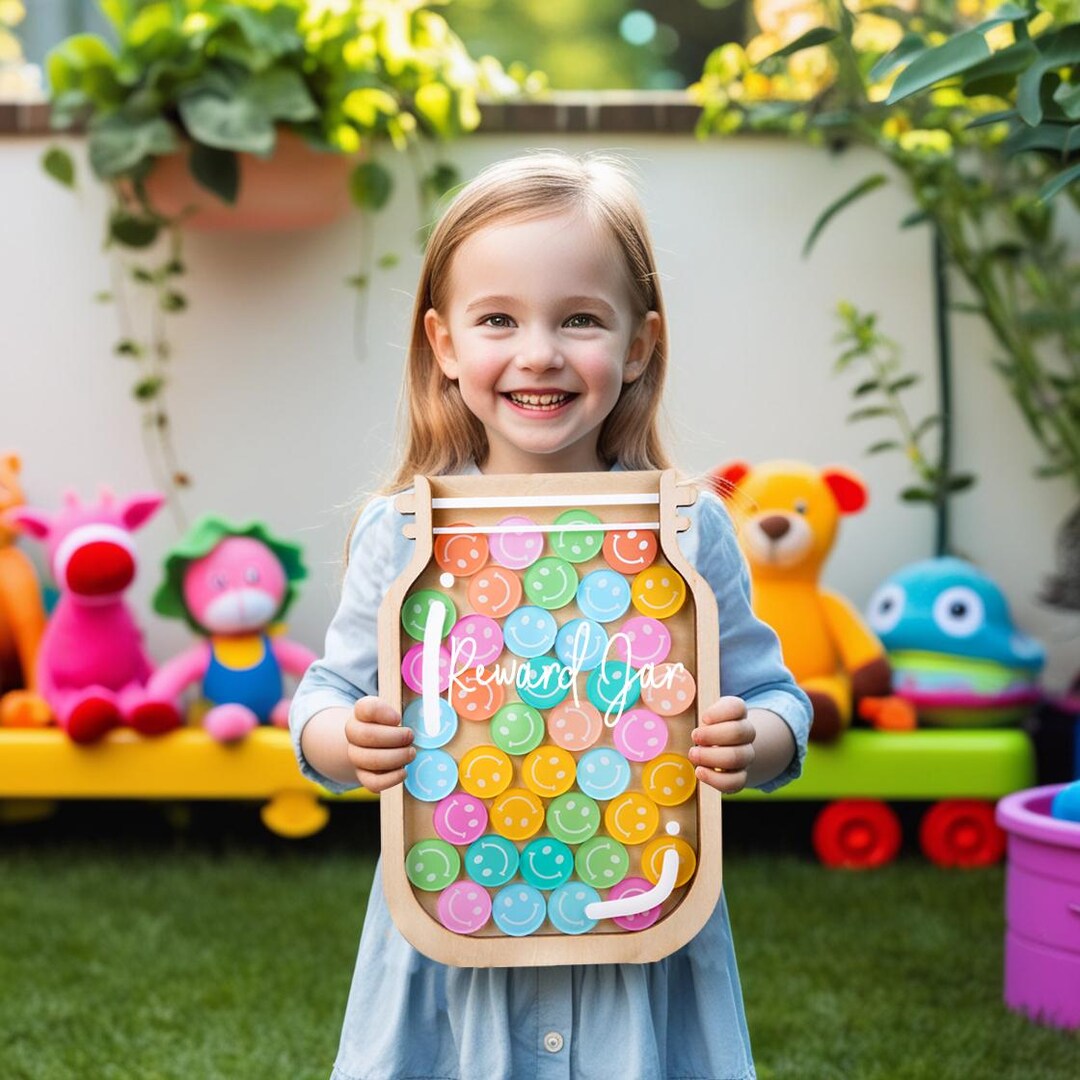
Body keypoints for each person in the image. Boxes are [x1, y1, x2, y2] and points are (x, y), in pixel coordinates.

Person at [290, 150, 812, 1080]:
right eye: (498, 319)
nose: (539, 352)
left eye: (579, 319)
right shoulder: (405, 533)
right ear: (444, 345)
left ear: (640, 343)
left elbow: (776, 693)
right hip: (457, 908)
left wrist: (757, 738)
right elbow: (328, 691)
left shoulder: (686, 530)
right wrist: (343, 738)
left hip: (640, 915)